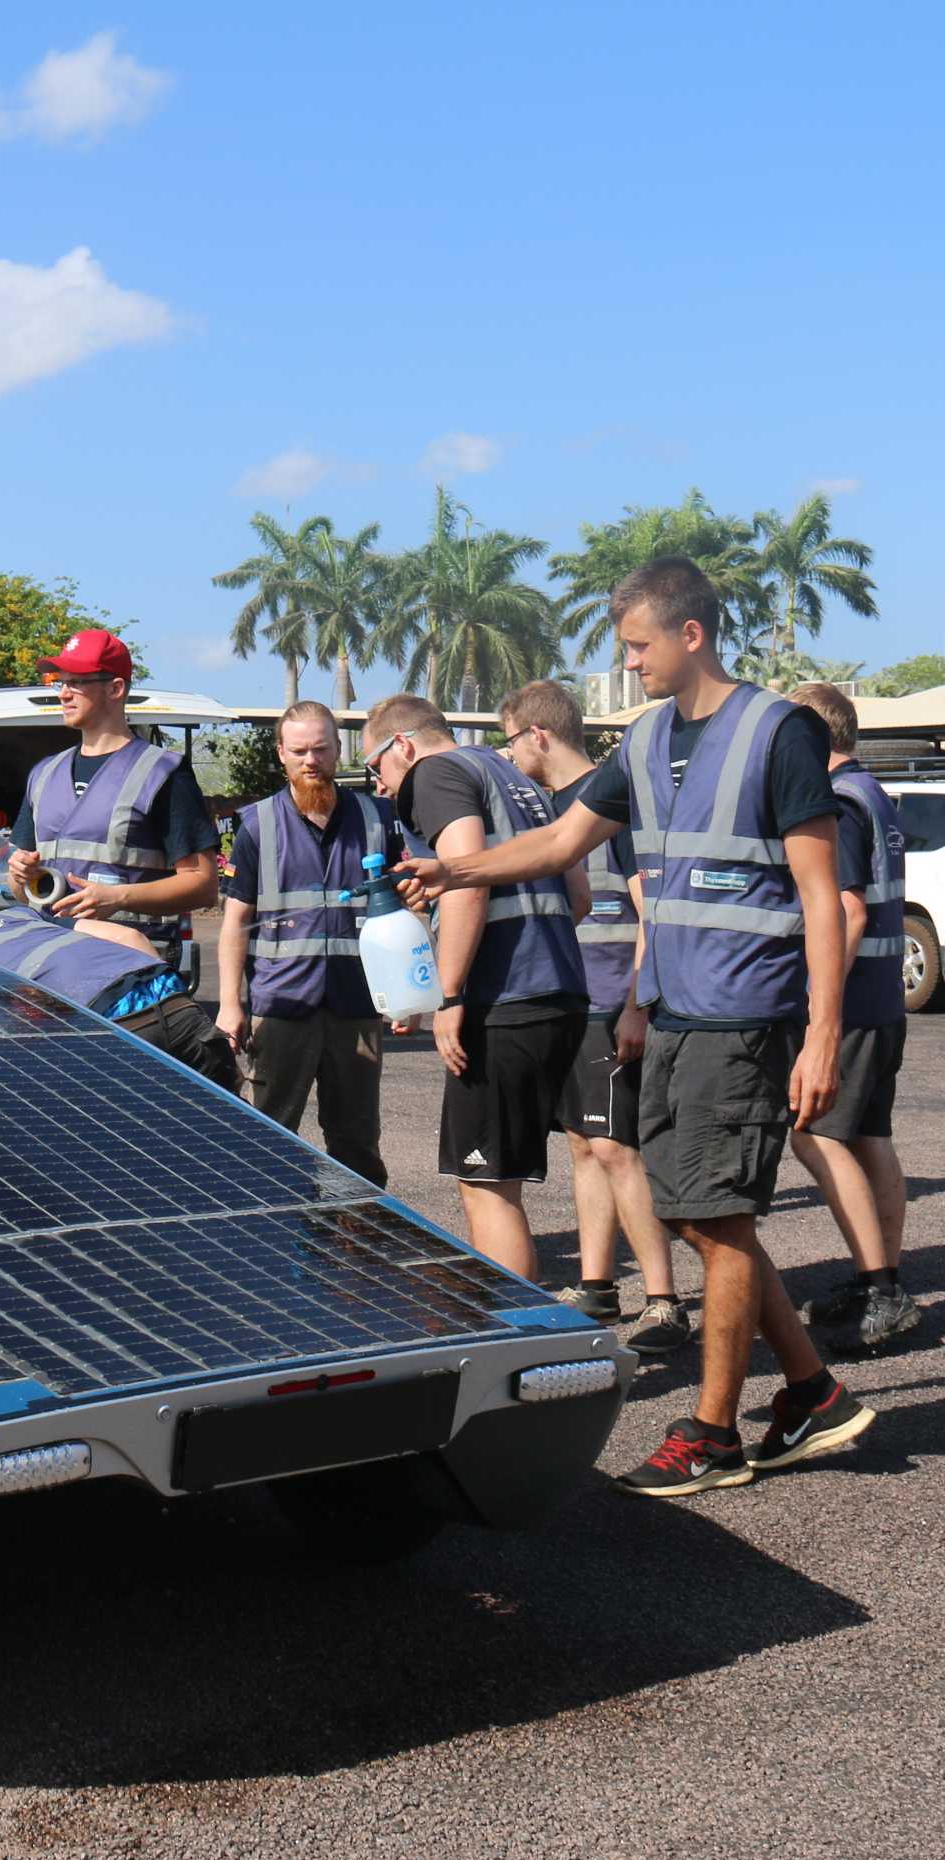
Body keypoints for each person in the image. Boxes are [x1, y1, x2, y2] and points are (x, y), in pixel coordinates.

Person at [392, 557, 875, 1496]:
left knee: (716, 1219)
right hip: (676, 1017)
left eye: (640, 645)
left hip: (745, 1019)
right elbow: (567, 841)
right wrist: (461, 873)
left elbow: (824, 900)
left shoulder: (779, 734)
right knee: (707, 1219)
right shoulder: (649, 740)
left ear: (691, 635)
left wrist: (821, 1037)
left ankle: (713, 1433)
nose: (631, 663)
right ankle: (812, 1392)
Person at [362, 691, 592, 1280]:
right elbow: (579, 895)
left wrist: (452, 992)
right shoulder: (512, 774)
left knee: (486, 1185)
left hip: (503, 999)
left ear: (403, 745)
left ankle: (520, 1345)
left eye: (376, 767)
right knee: (503, 1177)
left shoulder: (434, 773)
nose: (382, 787)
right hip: (559, 988)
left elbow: (466, 879)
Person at [497, 680, 690, 1353]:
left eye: (510, 738)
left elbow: (653, 911)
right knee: (583, 1145)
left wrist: (638, 1005)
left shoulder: (614, 805)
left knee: (617, 1148)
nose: (507, 752)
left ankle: (663, 1298)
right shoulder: (543, 809)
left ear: (538, 736)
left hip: (614, 1004)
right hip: (573, 1004)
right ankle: (598, 1283)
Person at [785, 681, 920, 1353]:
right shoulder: (873, 792)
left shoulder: (836, 802)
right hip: (883, 1003)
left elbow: (845, 909)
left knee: (815, 1136)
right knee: (869, 1136)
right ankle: (883, 1280)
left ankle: (881, 1287)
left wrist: (819, 1011)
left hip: (854, 1005)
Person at [215, 701, 396, 1184]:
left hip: (357, 1006)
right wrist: (230, 1004)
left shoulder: (379, 819)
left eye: (320, 748)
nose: (310, 760)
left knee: (357, 1140)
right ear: (281, 754)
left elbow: (405, 909)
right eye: (299, 751)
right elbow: (235, 922)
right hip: (280, 1007)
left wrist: (407, 992)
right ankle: (267, 1234)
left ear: (339, 750)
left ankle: (359, 1237)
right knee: (267, 1135)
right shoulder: (256, 824)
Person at [0, 879, 237, 1088]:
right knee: (241, 1162)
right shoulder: (16, 916)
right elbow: (131, 940)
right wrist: (162, 1009)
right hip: (181, 1010)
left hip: (118, 1035)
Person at [5, 630, 219, 961]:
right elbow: (20, 892)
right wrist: (20, 876)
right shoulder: (43, 775)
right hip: (53, 962)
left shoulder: (162, 773)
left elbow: (203, 884)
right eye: (60, 682)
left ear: (115, 689)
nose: (63, 693)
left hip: (130, 971)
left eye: (76, 682)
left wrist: (116, 898)